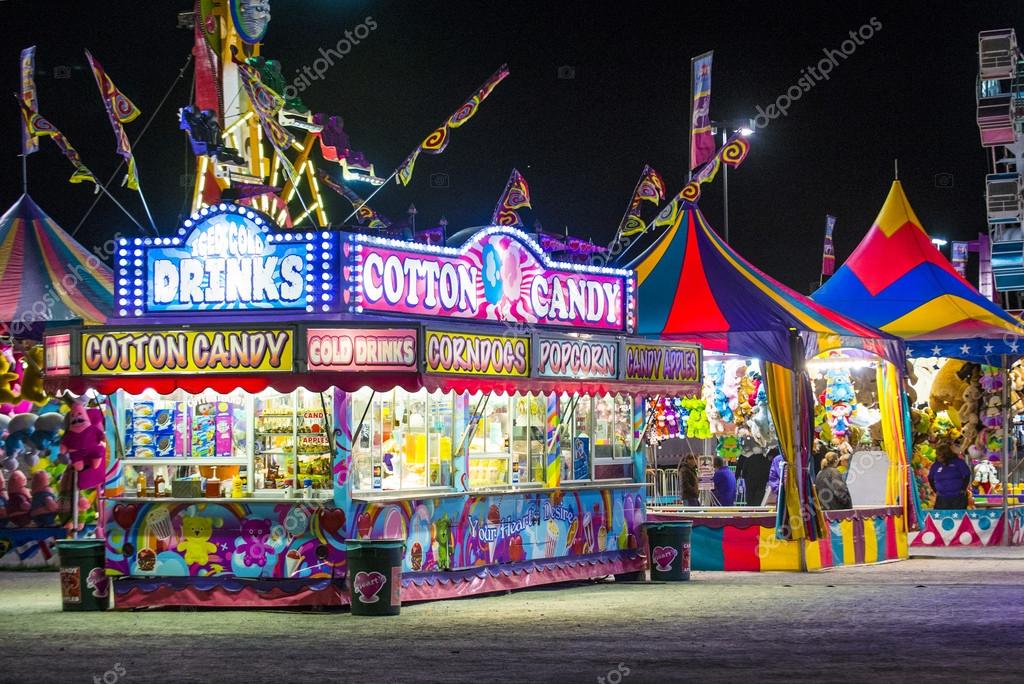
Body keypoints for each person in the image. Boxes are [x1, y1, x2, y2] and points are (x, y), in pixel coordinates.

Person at [928, 443, 972, 510]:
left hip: (958, 497)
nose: (937, 456)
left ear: (946, 455)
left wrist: (963, 489)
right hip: (942, 498)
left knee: (958, 519)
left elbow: (967, 475)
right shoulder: (936, 465)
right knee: (941, 518)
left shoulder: (958, 462)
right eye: (937, 454)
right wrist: (936, 490)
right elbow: (930, 478)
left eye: (939, 455)